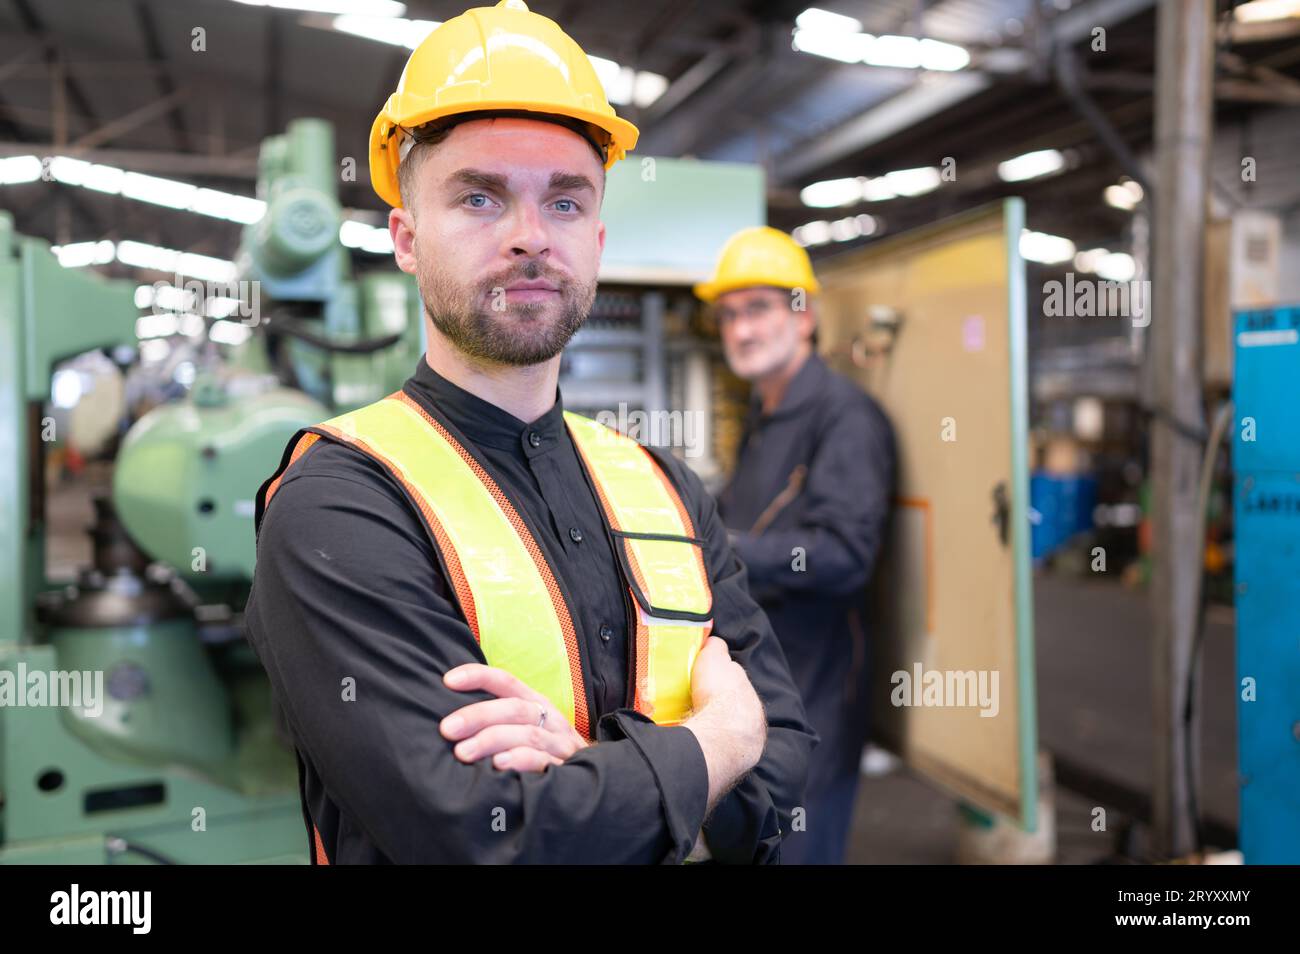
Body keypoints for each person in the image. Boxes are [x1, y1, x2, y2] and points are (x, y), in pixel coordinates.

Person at [244, 0, 813, 865]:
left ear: (598, 238)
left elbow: (784, 773)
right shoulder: (336, 507)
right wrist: (715, 747)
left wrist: (585, 771)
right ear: (405, 236)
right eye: (479, 197)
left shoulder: (664, 487)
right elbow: (475, 834)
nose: (529, 239)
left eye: (565, 202)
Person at [698, 226, 896, 865]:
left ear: (803, 317)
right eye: (729, 315)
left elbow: (844, 555)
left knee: (800, 849)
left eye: (758, 309)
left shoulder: (845, 418)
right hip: (760, 671)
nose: (741, 330)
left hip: (817, 677)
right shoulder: (765, 414)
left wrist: (719, 549)